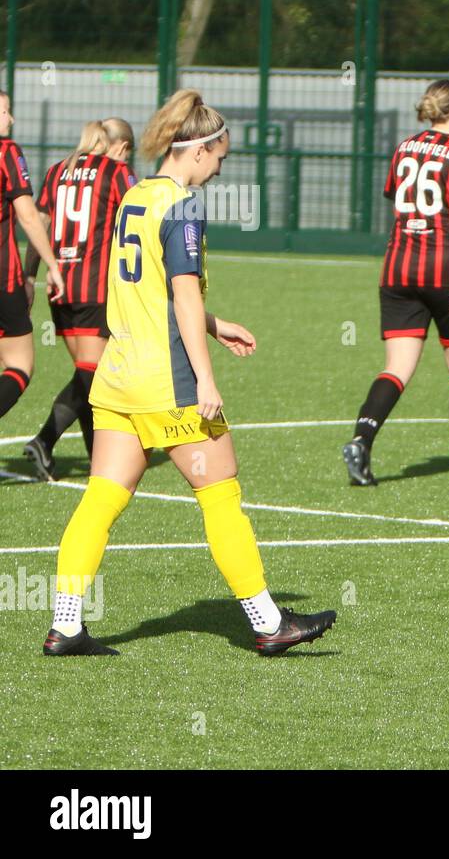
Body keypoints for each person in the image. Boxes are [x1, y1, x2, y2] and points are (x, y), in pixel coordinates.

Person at [43, 89, 336, 657]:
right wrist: (204, 376)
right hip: (168, 382)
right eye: (220, 158)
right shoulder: (184, 206)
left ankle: (67, 625)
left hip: (117, 376)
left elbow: (148, 288)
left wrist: (214, 322)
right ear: (198, 150)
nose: (220, 169)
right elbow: (178, 293)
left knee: (100, 501)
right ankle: (268, 622)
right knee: (221, 498)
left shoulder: (135, 197)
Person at [343, 79, 449, 487]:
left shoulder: (404, 149)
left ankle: (362, 439)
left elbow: (400, 201)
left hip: (398, 268)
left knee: (397, 367)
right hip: (445, 270)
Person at [23, 118, 136, 479]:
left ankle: (98, 458)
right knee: (95, 373)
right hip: (94, 286)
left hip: (59, 287)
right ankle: (44, 439)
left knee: (90, 376)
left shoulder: (58, 171)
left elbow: (38, 223)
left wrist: (30, 274)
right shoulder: (116, 171)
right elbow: (138, 217)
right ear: (121, 147)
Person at [0, 89, 67, 427]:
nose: (10, 119)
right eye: (6, 111)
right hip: (2, 279)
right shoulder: (6, 151)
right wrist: (52, 267)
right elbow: (28, 215)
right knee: (20, 365)